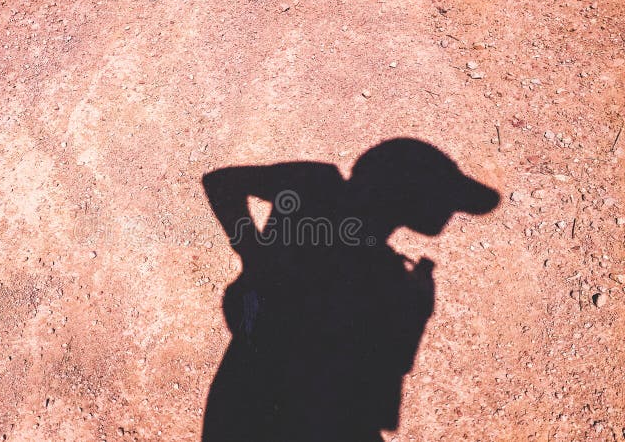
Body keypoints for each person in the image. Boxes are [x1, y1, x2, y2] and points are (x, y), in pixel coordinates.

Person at [201, 138, 500, 441]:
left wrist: (252, 255)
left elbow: (222, 180)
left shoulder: (318, 186)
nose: (447, 208)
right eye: (440, 194)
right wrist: (415, 312)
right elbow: (382, 364)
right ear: (403, 190)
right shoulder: (379, 269)